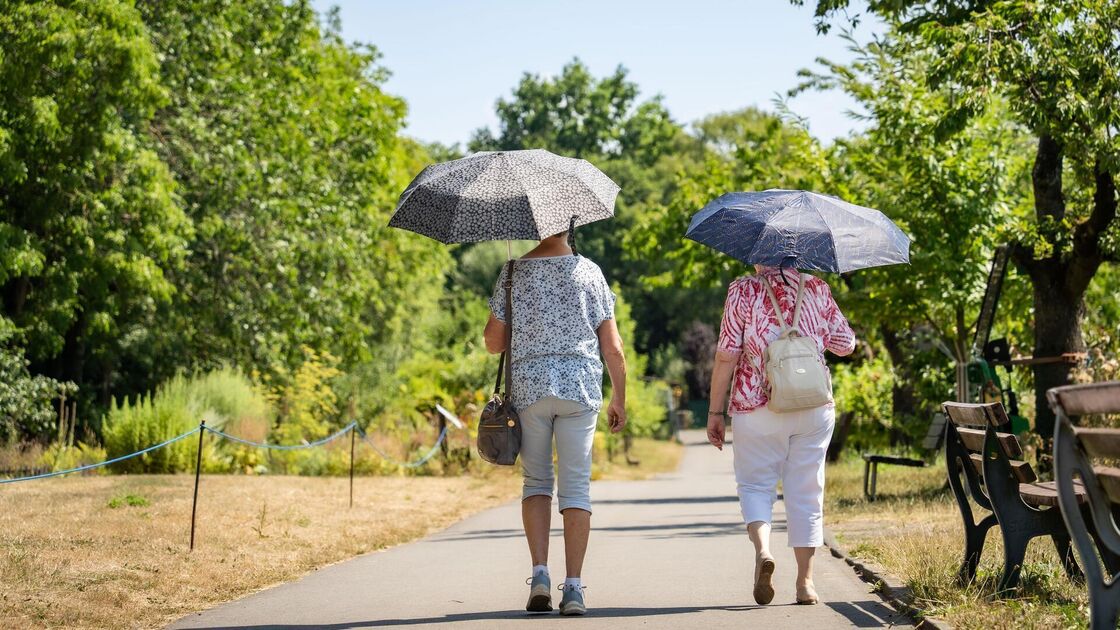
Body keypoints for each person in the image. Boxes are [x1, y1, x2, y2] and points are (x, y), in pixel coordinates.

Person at [483, 226, 627, 617]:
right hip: (579, 389)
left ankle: (541, 576)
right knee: (576, 487)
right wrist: (620, 398)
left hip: (529, 390)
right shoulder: (589, 272)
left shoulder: (512, 272)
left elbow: (493, 342)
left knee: (537, 482)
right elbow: (612, 347)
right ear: (572, 224)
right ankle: (575, 589)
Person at [705, 264, 855, 606]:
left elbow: (727, 354)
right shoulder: (817, 287)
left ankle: (764, 550)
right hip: (813, 405)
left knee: (756, 485)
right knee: (806, 491)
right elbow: (845, 345)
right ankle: (806, 584)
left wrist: (715, 412)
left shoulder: (743, 290)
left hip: (757, 405)